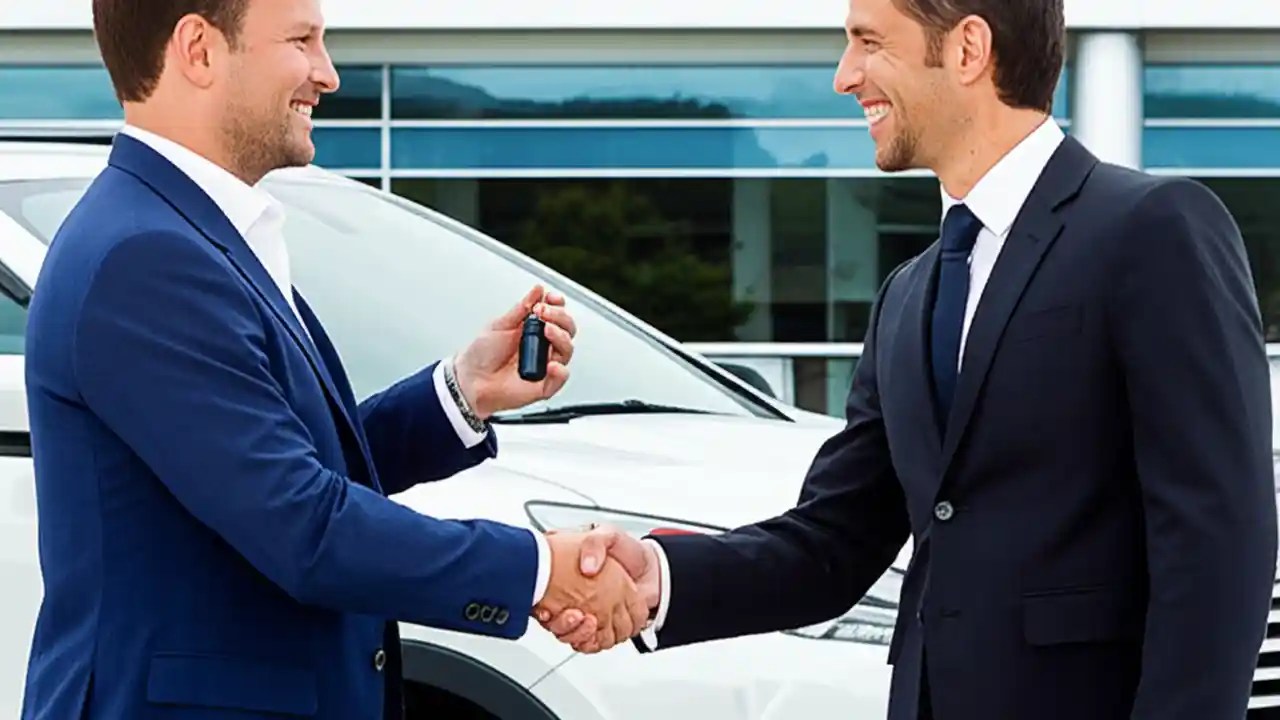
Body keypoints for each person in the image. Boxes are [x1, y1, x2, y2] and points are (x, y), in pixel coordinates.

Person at [540, 0, 1279, 718]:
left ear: (967, 49)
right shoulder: (909, 293)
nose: (845, 75)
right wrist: (656, 578)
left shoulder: (1153, 229)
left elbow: (1219, 538)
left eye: (869, 42)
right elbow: (832, 540)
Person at [20, 0, 646, 718]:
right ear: (198, 49)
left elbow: (276, 470)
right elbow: (304, 527)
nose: (329, 74)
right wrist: (542, 571)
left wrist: (461, 393)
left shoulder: (187, 234)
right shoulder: (145, 257)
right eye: (302, 40)